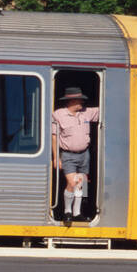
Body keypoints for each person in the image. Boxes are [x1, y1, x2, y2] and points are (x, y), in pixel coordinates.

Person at [51, 87, 100, 218]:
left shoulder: (87, 113)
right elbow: (54, 136)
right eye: (80, 100)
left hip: (84, 154)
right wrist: (56, 158)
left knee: (80, 184)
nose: (82, 102)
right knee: (72, 183)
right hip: (68, 155)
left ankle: (77, 213)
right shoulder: (58, 114)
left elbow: (107, 109)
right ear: (71, 101)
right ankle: (67, 211)